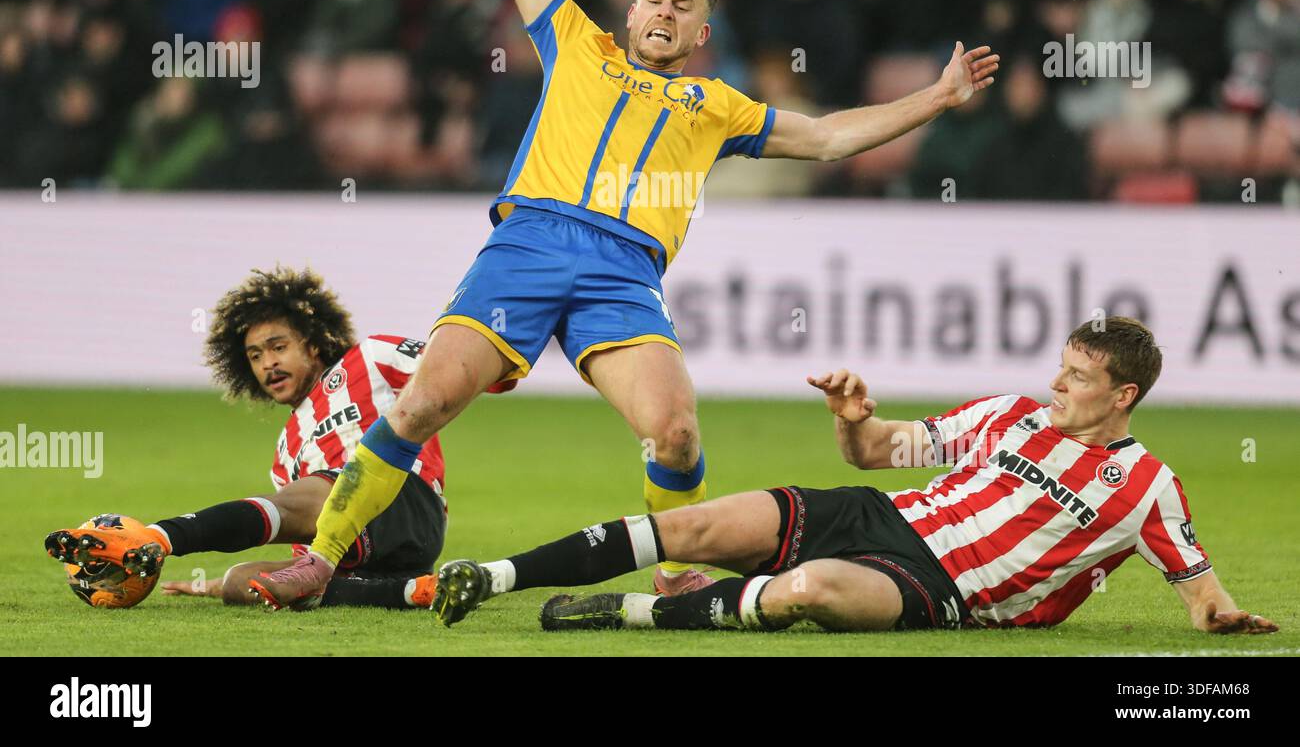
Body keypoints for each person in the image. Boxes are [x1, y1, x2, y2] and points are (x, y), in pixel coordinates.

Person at [253, 0, 999, 610]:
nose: (664, 10)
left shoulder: (716, 107)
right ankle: (320, 557)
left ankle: (676, 572)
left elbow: (827, 137)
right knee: (421, 403)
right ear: (631, 4)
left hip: (623, 273)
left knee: (675, 434)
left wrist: (936, 98)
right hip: (527, 247)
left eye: (683, 5)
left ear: (700, 30)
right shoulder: (578, 46)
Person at [434, 318, 1278, 637]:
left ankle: (633, 614)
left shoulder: (1148, 489)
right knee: (693, 527)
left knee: (810, 589)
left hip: (942, 589)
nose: (1056, 386)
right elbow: (879, 453)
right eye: (1059, 369)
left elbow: (1202, 597)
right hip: (878, 513)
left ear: (1123, 395)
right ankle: (493, 574)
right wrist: (851, 419)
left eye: (1077, 379)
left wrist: (1229, 620)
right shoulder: (1009, 415)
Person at [43, 267, 505, 610]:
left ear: (311, 343)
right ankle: (412, 591)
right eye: (255, 356)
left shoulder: (369, 358)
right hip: (362, 551)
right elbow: (309, 540)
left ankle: (157, 537)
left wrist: (494, 365)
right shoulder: (286, 450)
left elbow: (450, 365)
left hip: (404, 502)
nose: (268, 364)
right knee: (239, 582)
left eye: (278, 347)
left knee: (309, 497)